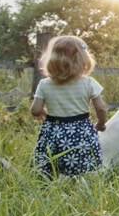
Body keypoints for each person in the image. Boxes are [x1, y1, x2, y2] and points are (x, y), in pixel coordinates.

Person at [30, 35, 107, 178]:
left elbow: (35, 110)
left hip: (52, 132)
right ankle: (79, 188)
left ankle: (51, 187)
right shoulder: (89, 83)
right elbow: (101, 108)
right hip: (81, 133)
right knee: (84, 170)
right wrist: (101, 123)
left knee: (50, 169)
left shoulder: (45, 84)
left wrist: (43, 113)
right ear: (82, 59)